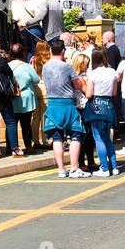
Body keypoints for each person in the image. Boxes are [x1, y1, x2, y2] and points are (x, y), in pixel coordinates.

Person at [41, 39, 89, 178]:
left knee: (57, 138)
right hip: (67, 104)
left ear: (51, 51)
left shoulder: (45, 67)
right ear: (63, 51)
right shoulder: (67, 67)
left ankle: (62, 169)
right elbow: (77, 85)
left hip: (52, 104)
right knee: (76, 135)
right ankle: (74, 168)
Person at [84, 49, 119, 176]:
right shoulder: (112, 72)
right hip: (108, 105)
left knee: (98, 138)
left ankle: (104, 168)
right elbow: (114, 93)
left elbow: (88, 94)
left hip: (96, 106)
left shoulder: (93, 74)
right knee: (108, 139)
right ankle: (114, 167)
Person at [8, 42, 40, 153]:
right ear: (23, 53)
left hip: (11, 98)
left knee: (11, 123)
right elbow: (37, 80)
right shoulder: (27, 66)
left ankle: (9, 147)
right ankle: (28, 146)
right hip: (26, 99)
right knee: (26, 125)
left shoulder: (7, 66)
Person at [71, 53, 97, 172]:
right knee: (84, 136)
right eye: (86, 64)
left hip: (83, 107)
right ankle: (82, 162)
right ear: (81, 65)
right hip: (81, 109)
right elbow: (87, 92)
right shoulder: (80, 78)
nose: (88, 66)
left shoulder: (81, 76)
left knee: (89, 137)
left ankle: (90, 161)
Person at [31, 40, 51, 149]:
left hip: (35, 88)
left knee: (35, 117)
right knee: (46, 116)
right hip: (45, 88)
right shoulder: (48, 60)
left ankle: (35, 141)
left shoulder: (32, 60)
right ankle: (46, 140)